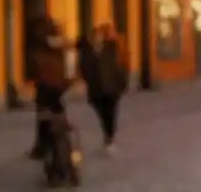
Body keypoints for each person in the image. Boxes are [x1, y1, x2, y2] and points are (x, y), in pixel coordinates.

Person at [79, 23, 129, 152]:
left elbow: (120, 65)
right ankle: (108, 134)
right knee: (102, 112)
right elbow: (84, 67)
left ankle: (109, 137)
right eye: (95, 36)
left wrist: (122, 83)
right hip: (97, 88)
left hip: (111, 87)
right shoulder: (88, 51)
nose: (98, 38)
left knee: (111, 113)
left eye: (100, 35)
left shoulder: (111, 47)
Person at [30, 20, 72, 160]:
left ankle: (43, 147)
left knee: (44, 117)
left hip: (45, 86)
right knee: (57, 114)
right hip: (56, 86)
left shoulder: (40, 48)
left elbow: (37, 67)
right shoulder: (58, 46)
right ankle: (61, 145)